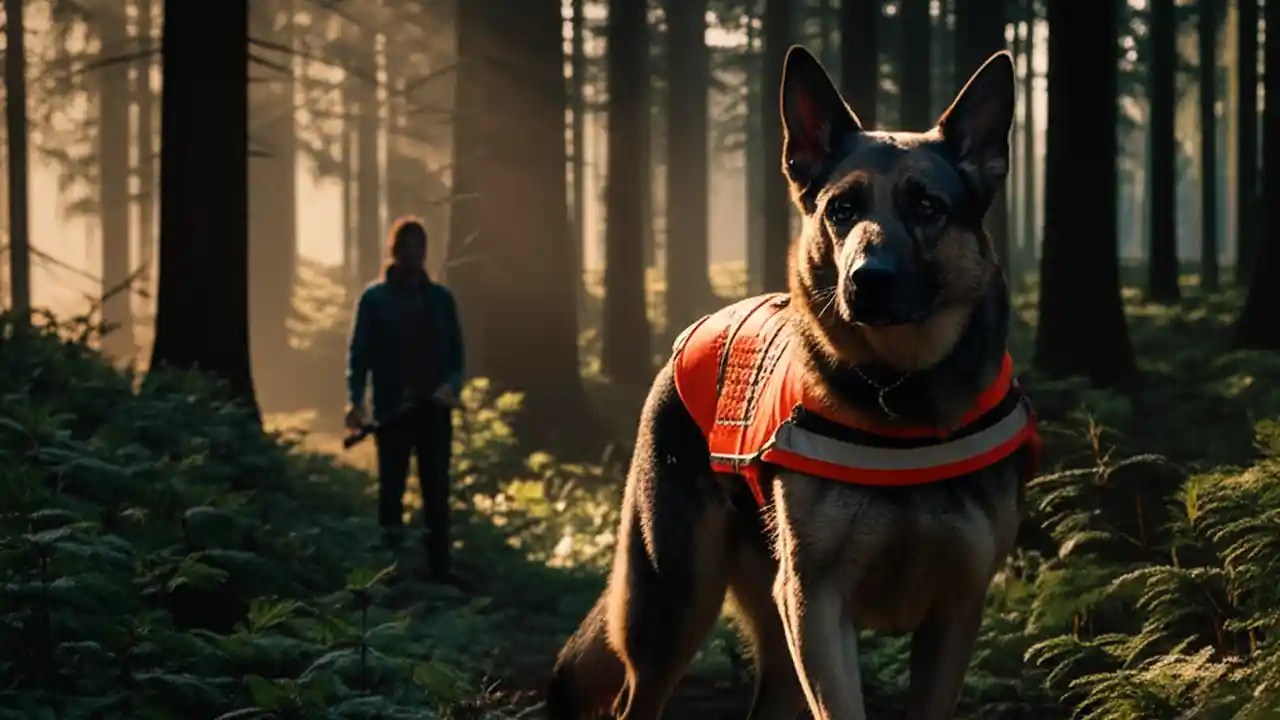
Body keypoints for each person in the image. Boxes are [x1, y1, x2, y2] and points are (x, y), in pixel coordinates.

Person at [345, 216, 464, 583]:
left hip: (433, 411)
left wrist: (450, 386)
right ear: (394, 252)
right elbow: (359, 355)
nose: (413, 254)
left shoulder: (441, 300)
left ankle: (440, 571)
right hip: (392, 412)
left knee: (436, 491)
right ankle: (390, 570)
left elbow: (457, 357)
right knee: (391, 492)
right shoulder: (375, 300)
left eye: (419, 247)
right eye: (406, 247)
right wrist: (355, 401)